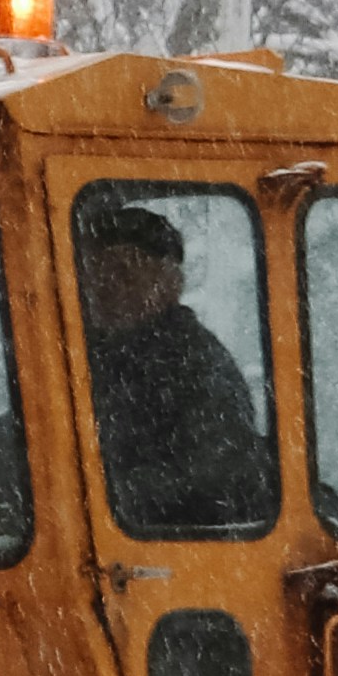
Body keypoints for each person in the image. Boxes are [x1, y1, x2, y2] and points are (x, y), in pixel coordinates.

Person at [78, 198, 272, 532]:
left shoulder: (195, 363)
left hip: (168, 549)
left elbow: (210, 469)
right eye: (96, 275)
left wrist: (97, 491)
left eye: (124, 273)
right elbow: (28, 433)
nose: (107, 287)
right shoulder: (82, 360)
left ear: (170, 283)